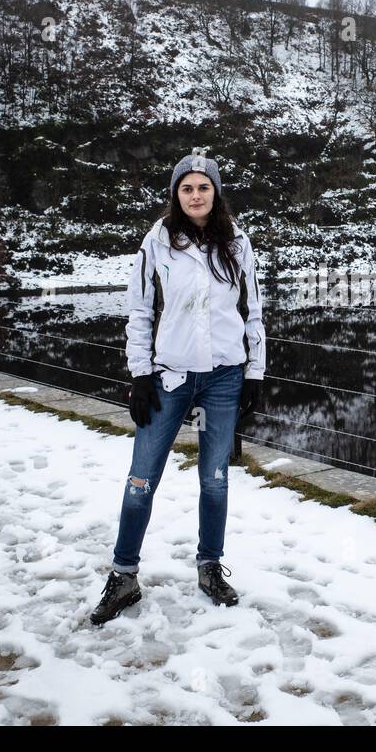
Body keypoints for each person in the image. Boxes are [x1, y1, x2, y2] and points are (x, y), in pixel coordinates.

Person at [90, 152, 266, 625]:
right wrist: (140, 374)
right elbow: (140, 311)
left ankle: (210, 566)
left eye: (203, 187)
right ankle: (124, 576)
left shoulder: (239, 241)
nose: (195, 195)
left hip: (225, 377)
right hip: (169, 377)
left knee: (215, 480)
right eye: (186, 188)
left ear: (215, 192)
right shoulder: (157, 242)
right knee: (140, 479)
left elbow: (252, 312)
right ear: (176, 194)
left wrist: (255, 373)